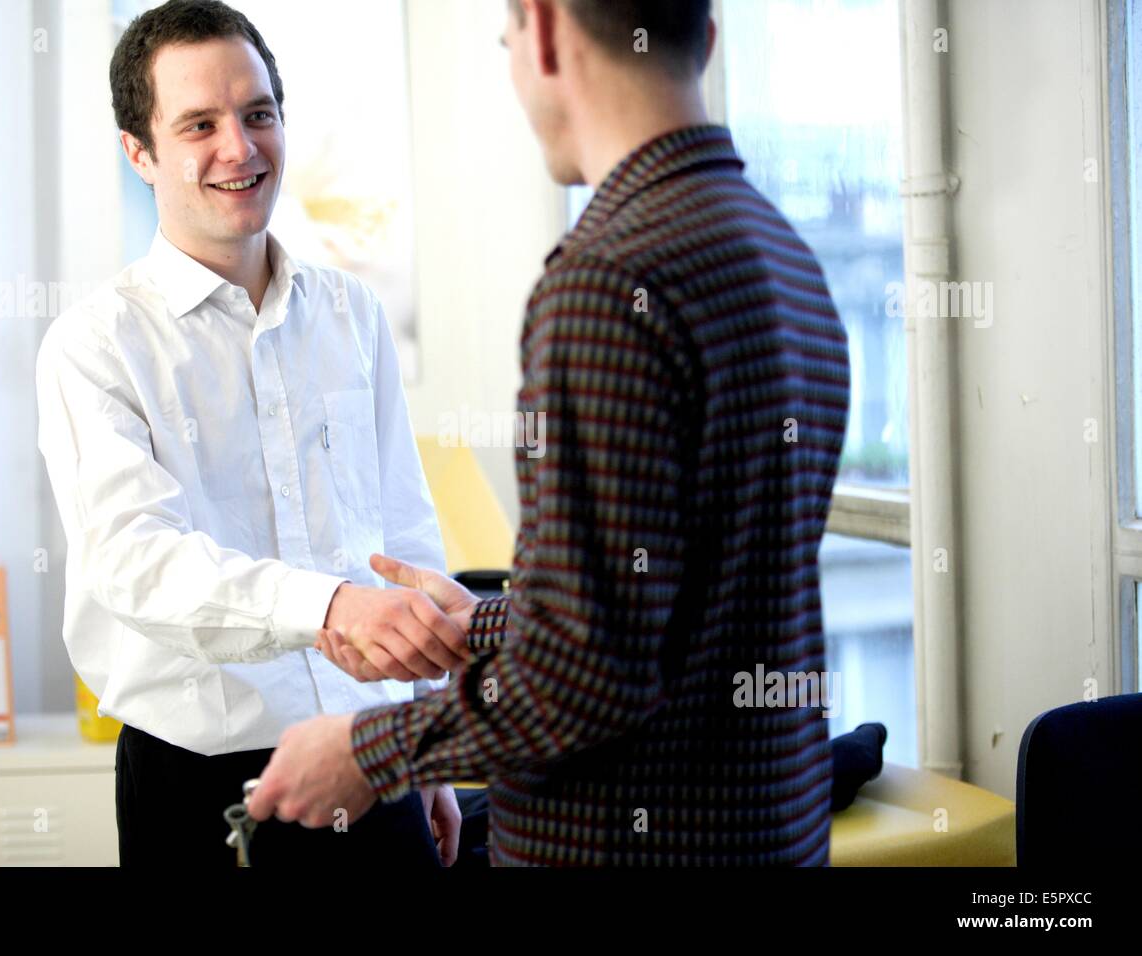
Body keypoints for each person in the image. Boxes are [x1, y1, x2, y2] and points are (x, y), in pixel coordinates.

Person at [246, 0, 852, 866]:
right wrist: (489, 624)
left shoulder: (607, 280)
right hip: (774, 834)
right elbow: (672, 604)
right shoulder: (781, 253)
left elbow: (583, 682)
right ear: (707, 39)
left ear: (539, 26)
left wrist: (363, 752)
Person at [35, 0, 464, 867]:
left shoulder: (353, 313)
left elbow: (402, 530)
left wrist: (429, 745)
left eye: (258, 113)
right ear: (140, 153)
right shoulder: (94, 345)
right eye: (199, 124)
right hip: (199, 787)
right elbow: (139, 563)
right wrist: (329, 608)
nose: (240, 147)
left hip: (371, 757)